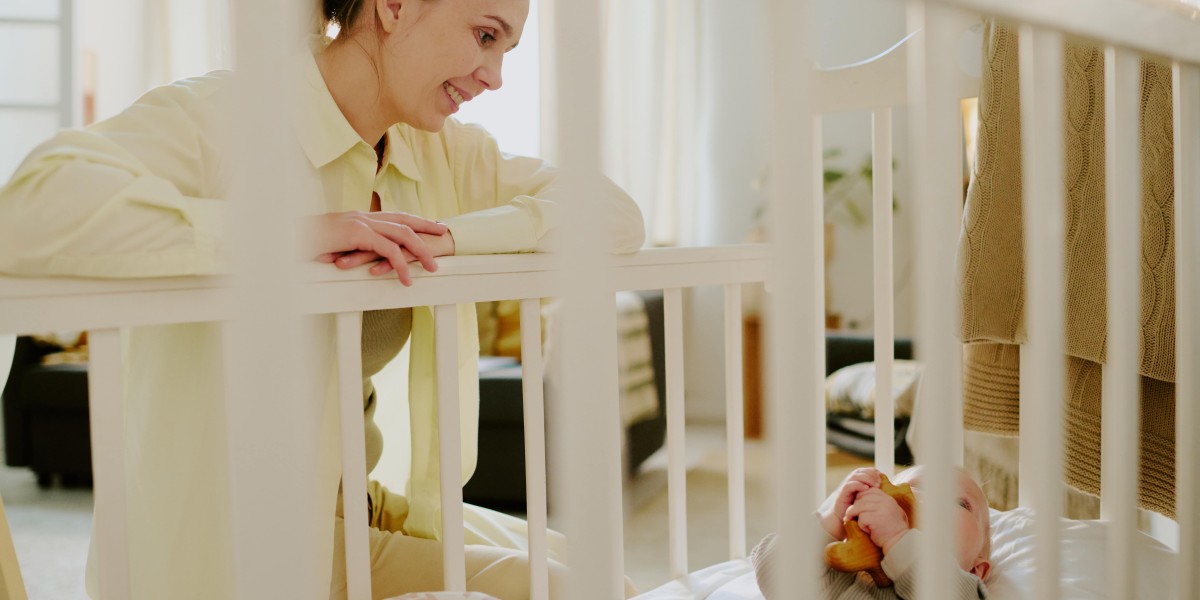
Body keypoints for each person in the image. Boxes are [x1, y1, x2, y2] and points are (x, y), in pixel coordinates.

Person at [0, 0, 644, 597]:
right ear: (394, 6)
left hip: (355, 509)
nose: (496, 75)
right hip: (240, 536)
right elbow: (30, 206)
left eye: (507, 48)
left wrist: (452, 237)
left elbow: (616, 217)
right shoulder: (231, 115)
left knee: (602, 575)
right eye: (485, 35)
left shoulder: (438, 153)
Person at [751, 466, 991, 599]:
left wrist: (898, 538)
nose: (925, 498)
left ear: (976, 570)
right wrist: (831, 521)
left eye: (960, 503)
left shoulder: (962, 590)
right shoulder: (843, 575)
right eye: (914, 487)